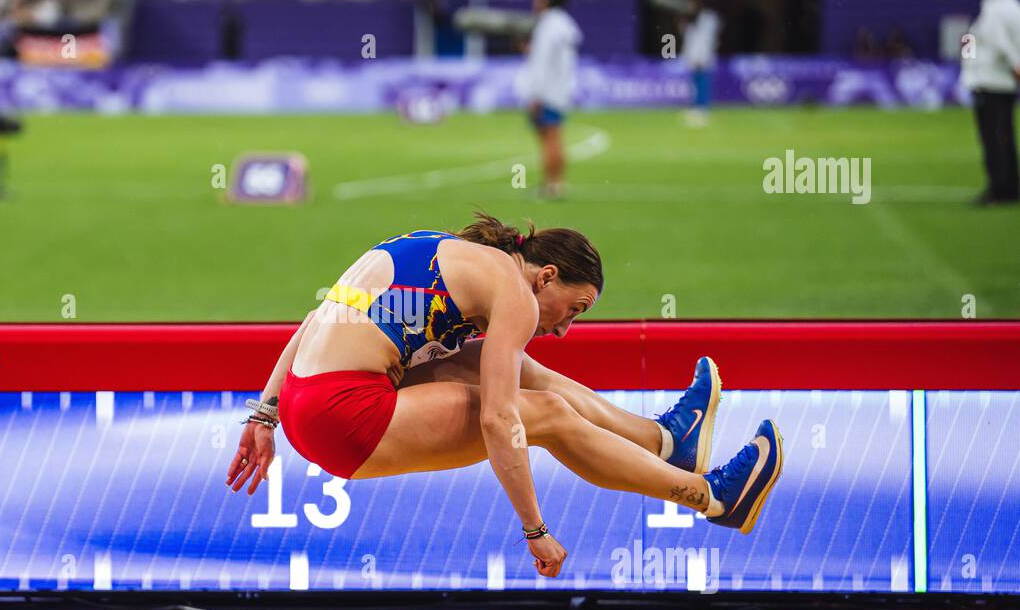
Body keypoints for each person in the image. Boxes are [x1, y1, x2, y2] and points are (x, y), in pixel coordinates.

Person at [226, 215, 784, 579]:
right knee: (542, 413)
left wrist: (264, 413)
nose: (567, 327)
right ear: (546, 276)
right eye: (577, 306)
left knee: (518, 369)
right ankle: (711, 497)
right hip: (343, 415)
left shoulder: (441, 252)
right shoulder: (514, 292)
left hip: (302, 397)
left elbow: (314, 321)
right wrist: (535, 530)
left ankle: (664, 441)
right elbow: (499, 422)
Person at [962, 0, 1020, 205]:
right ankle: (1010, 186)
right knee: (1004, 136)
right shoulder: (1010, 5)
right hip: (1000, 81)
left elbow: (999, 43)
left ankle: (999, 189)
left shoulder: (994, 8)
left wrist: (1016, 66)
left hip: (990, 80)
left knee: (993, 139)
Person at [522, 0, 582, 199]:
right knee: (554, 137)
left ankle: (552, 184)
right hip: (560, 88)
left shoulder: (548, 26)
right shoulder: (564, 24)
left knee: (549, 138)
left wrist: (536, 94)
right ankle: (556, 183)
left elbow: (542, 63)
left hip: (547, 91)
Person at [681, 0, 720, 127]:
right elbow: (689, 39)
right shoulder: (692, 21)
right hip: (693, 58)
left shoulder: (708, 19)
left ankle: (702, 110)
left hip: (703, 57)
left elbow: (706, 40)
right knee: (695, 84)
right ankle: (696, 109)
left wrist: (701, 57)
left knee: (703, 84)